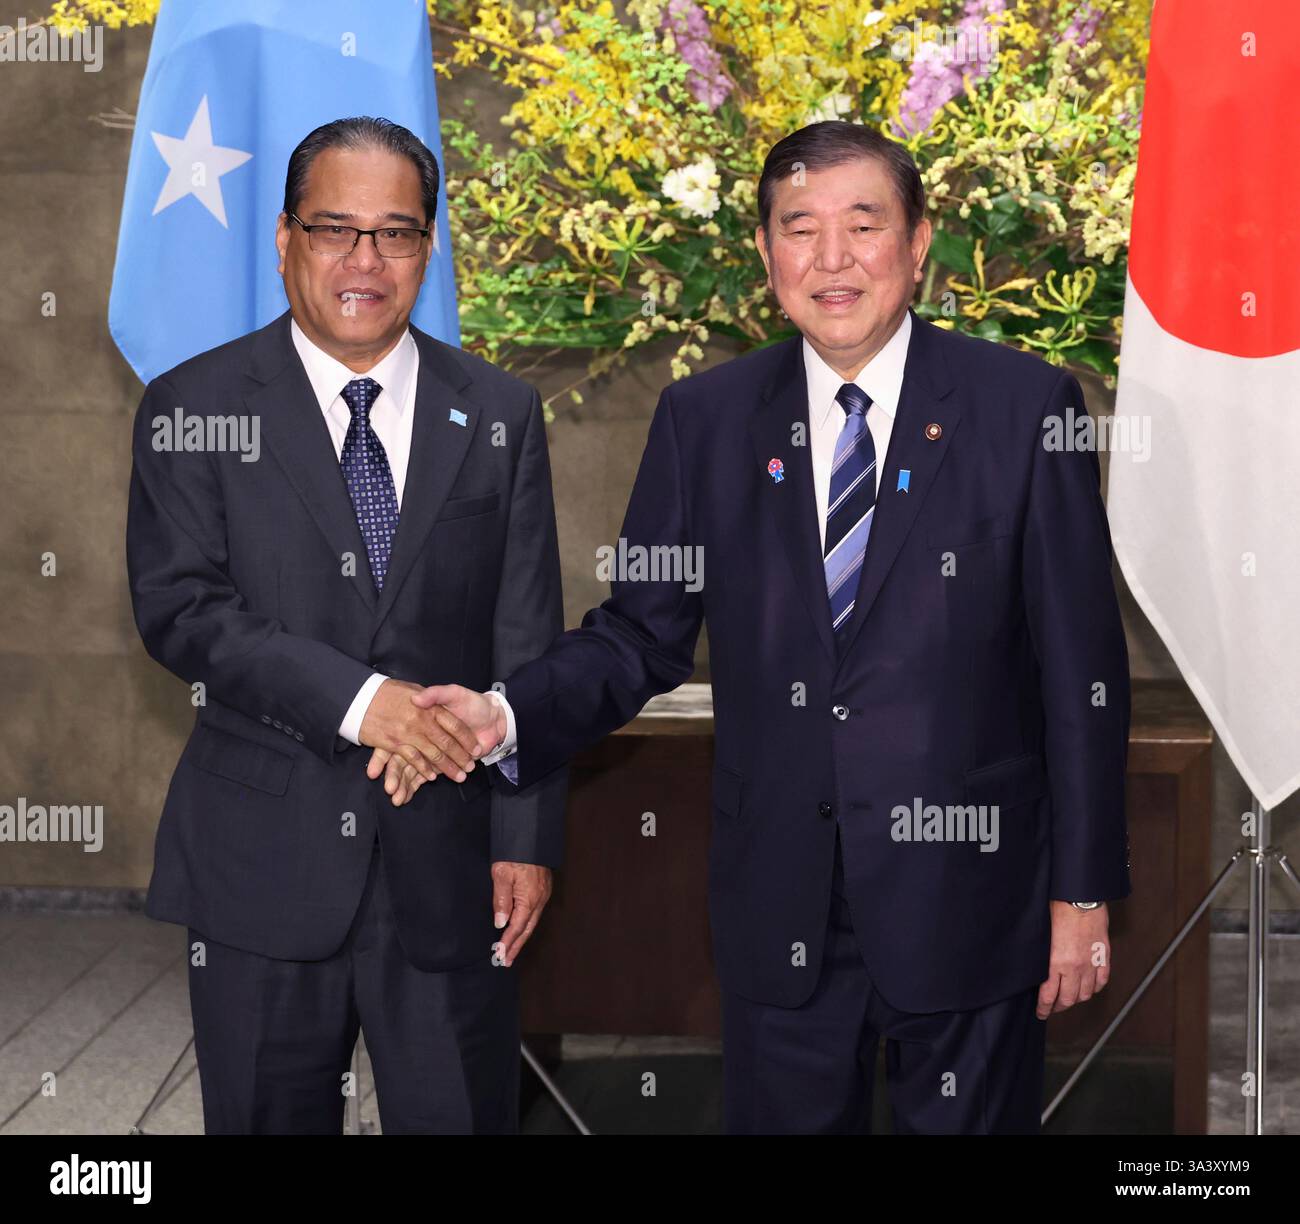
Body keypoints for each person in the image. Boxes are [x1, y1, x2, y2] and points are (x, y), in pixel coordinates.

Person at [393, 120, 1132, 1135]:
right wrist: (504, 713)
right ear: (764, 255)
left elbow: (1081, 673)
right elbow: (637, 633)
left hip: (968, 894)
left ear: (918, 244)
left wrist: (1082, 894)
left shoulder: (1022, 406)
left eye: (862, 226)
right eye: (800, 229)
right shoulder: (707, 419)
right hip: (779, 901)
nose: (831, 260)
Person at [125, 116, 565, 1134]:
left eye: (397, 233)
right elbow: (182, 612)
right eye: (334, 229)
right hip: (260, 866)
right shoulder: (191, 405)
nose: (365, 261)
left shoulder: (498, 413)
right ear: (284, 240)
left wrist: (526, 835)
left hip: (455, 871)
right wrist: (367, 706)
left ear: (427, 246)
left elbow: (527, 643)